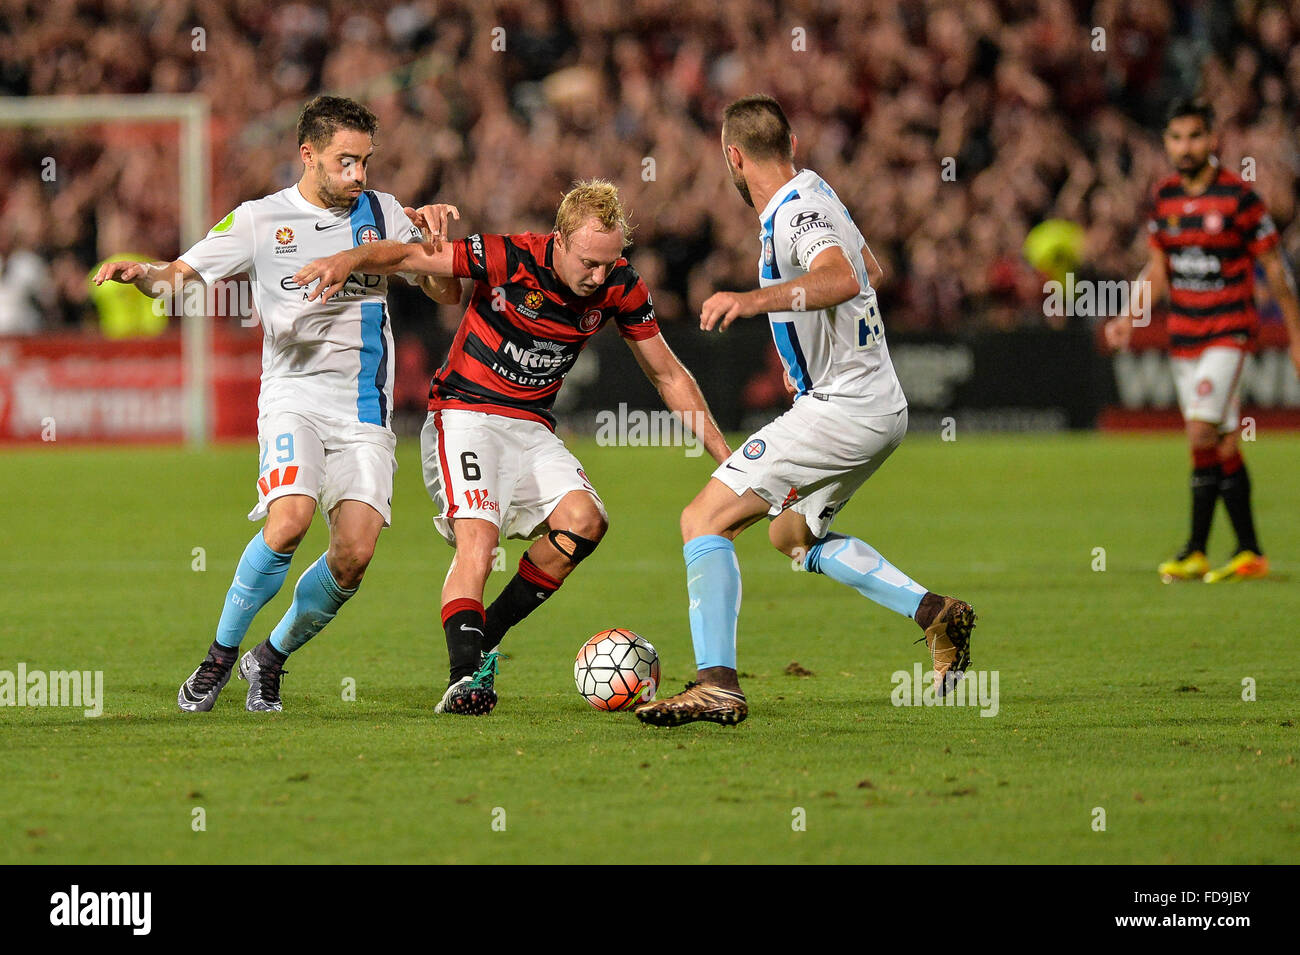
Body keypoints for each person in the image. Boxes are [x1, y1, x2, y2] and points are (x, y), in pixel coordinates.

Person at [295, 179, 730, 715]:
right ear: (560, 239)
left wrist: (724, 459)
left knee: (585, 521)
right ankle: (464, 680)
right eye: (589, 262)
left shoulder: (620, 285)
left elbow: (668, 375)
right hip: (465, 414)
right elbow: (412, 255)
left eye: (608, 263)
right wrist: (348, 257)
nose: (598, 277)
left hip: (530, 426)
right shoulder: (509, 257)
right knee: (478, 541)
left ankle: (486, 637)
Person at [94, 95, 463, 712]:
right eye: (346, 161)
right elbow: (181, 275)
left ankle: (270, 658)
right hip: (293, 397)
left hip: (364, 409)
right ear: (308, 154)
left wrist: (433, 249)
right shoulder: (260, 220)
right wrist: (143, 274)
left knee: (354, 555)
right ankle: (216, 660)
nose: (359, 176)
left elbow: (445, 290)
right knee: (289, 520)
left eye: (366, 162)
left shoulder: (385, 213)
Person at [633, 94, 976, 728]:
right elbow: (872, 267)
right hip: (878, 404)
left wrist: (753, 298)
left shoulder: (796, 213)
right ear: (789, 143)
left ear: (733, 157)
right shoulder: (818, 193)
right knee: (792, 535)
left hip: (842, 408)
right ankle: (935, 613)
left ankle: (717, 686)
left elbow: (845, 277)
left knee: (702, 519)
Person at [1104, 98, 1300, 583]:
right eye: (1175, 138)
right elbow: (1157, 268)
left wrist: (1296, 335)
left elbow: (1276, 271)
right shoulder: (1164, 197)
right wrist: (1131, 316)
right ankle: (1250, 551)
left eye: (1194, 136)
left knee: (1199, 432)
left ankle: (1194, 549)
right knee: (1226, 441)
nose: (1185, 147)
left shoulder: (1240, 199)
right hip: (1183, 337)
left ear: (1212, 140)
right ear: (1166, 142)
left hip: (1229, 332)